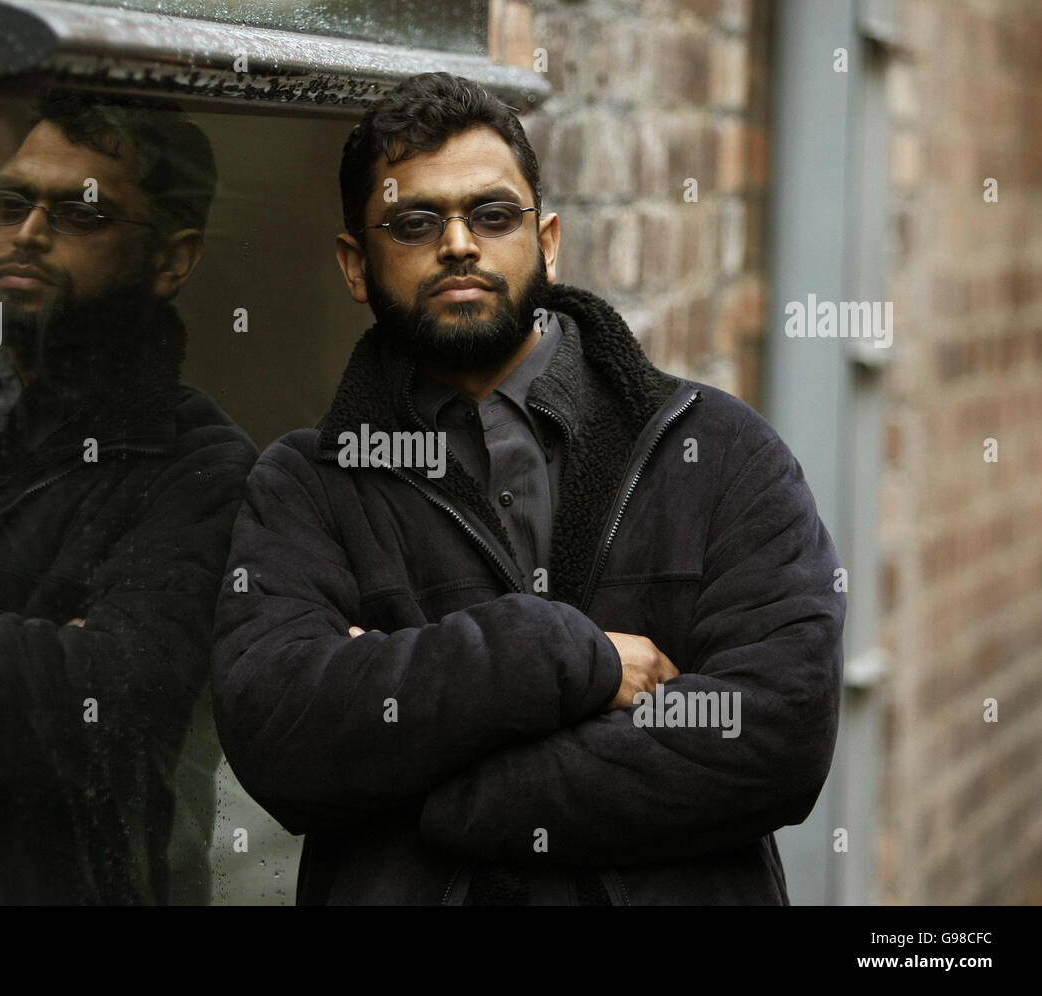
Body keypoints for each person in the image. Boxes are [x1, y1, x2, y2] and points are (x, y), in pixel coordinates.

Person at [211, 72, 845, 905]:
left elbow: (775, 733)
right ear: (355, 265)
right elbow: (282, 731)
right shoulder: (307, 487)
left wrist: (455, 787)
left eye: (492, 215)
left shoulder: (718, 450)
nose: (460, 244)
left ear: (546, 241)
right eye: (414, 222)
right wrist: (558, 657)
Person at [0, 92, 257, 904]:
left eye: (80, 215)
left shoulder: (204, 467)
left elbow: (100, 702)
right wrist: (30, 646)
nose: (26, 235)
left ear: (171, 258)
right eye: (10, 204)